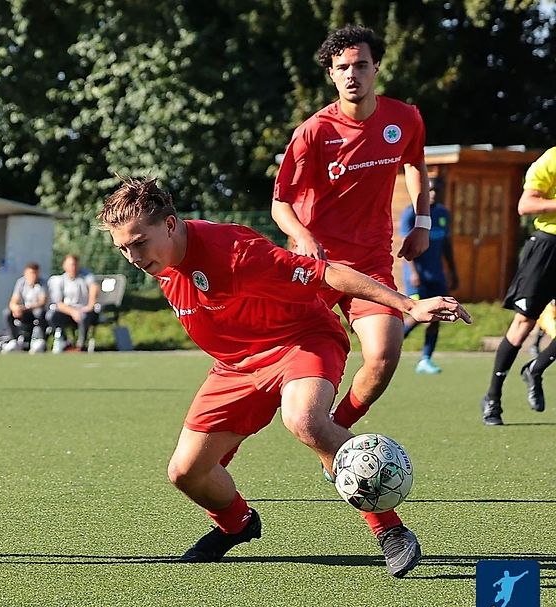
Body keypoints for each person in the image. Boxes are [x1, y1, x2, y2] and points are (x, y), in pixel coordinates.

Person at [98, 177, 470, 577]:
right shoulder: (163, 259)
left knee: (305, 421)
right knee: (186, 473)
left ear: (170, 225)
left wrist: (407, 305)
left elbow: (328, 274)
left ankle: (390, 530)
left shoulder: (235, 252)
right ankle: (237, 525)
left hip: (299, 343)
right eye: (123, 248)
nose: (133, 257)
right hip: (236, 366)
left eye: (138, 243)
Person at [272, 25, 430, 433]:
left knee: (383, 355)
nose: (351, 74)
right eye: (342, 67)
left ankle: (338, 432)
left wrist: (422, 222)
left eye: (361, 65)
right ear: (331, 73)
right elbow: (280, 204)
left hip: (371, 262)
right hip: (315, 267)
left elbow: (414, 163)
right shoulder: (314, 131)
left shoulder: (404, 118)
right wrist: (304, 237)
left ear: (376, 66)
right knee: (273, 369)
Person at [481, 146, 556, 425]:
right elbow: (526, 205)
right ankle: (492, 397)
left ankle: (535, 368)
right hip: (547, 249)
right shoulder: (552, 159)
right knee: (524, 323)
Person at [400, 180, 459, 374]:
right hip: (417, 277)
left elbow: (447, 244)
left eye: (435, 190)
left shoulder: (443, 213)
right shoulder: (411, 214)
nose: (432, 194)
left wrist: (452, 270)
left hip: (437, 275)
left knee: (436, 317)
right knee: (416, 314)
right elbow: (405, 245)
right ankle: (389, 346)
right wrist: (413, 272)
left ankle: (425, 359)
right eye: (429, 190)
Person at [47, 254, 99, 352]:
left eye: (75, 264)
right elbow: (58, 303)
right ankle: (65, 342)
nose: (73, 267)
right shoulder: (59, 280)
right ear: (64, 266)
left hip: (84, 310)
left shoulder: (86, 276)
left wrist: (90, 305)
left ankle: (81, 346)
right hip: (68, 311)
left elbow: (94, 287)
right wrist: (72, 312)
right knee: (51, 316)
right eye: (70, 265)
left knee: (83, 316)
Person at [2, 262, 48, 352]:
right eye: (30, 273)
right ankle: (13, 340)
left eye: (35, 273)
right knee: (7, 313)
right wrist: (16, 308)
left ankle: (40, 340)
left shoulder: (43, 283)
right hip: (23, 311)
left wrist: (26, 307)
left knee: (40, 313)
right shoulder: (21, 282)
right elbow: (13, 301)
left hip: (34, 310)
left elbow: (42, 302)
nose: (33, 276)